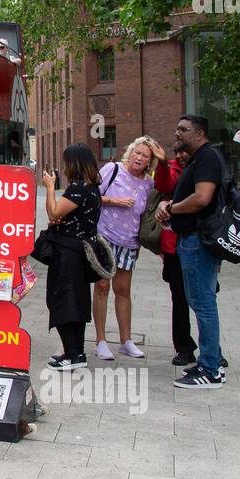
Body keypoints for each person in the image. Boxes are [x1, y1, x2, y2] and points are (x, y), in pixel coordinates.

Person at [155, 114, 228, 389]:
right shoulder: (199, 158)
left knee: (203, 303)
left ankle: (211, 369)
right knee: (199, 302)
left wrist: (172, 208)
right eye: (177, 128)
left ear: (200, 134)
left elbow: (202, 198)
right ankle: (209, 360)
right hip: (191, 238)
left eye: (184, 129)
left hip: (197, 240)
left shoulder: (207, 157)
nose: (178, 133)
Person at [92, 136, 160, 360]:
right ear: (129, 153)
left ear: (150, 162)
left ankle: (126, 340)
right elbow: (92, 195)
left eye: (145, 156)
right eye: (136, 152)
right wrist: (115, 201)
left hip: (128, 242)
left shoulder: (148, 183)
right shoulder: (112, 169)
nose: (139, 158)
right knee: (102, 286)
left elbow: (146, 214)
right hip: (104, 238)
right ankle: (101, 341)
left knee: (123, 291)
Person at [40, 143, 102, 370]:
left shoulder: (78, 188)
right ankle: (75, 352)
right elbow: (62, 215)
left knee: (62, 300)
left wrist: (49, 187)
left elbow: (54, 212)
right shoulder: (93, 188)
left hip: (68, 253)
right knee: (76, 301)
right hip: (80, 251)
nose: (63, 167)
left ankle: (72, 354)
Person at [153, 142, 198, 364]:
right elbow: (163, 183)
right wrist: (161, 163)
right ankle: (184, 347)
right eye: (177, 151)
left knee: (203, 300)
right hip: (174, 247)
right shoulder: (172, 169)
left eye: (184, 151)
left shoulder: (203, 168)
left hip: (200, 245)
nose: (180, 155)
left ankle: (212, 348)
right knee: (179, 299)